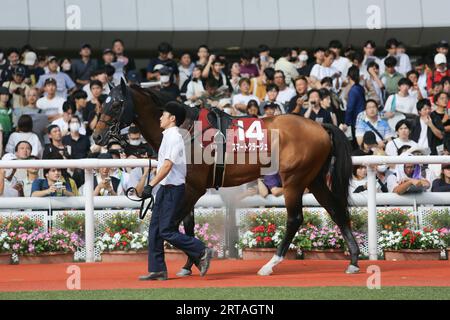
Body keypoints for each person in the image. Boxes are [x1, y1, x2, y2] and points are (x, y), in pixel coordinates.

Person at [139, 101, 213, 281]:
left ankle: (201, 250)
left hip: (172, 189)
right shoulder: (168, 136)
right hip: (165, 189)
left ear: (172, 118)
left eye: (163, 115)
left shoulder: (174, 137)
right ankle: (157, 270)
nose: (160, 118)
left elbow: (168, 165)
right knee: (155, 230)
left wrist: (151, 184)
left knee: (166, 230)